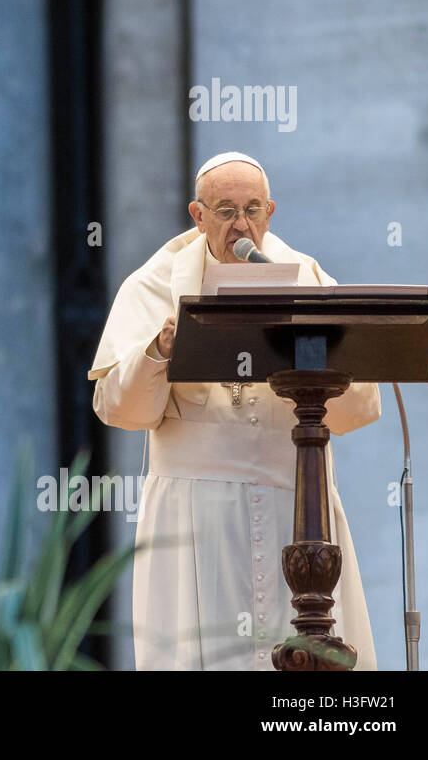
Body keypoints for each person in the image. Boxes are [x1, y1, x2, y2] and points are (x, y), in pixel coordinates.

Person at [89, 151, 380, 670]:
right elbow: (118, 407)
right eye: (225, 211)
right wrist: (160, 348)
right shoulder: (151, 287)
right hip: (195, 513)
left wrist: (324, 348)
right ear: (197, 216)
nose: (241, 224)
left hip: (297, 505)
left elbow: (357, 408)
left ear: (270, 211)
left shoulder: (306, 281)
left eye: (251, 209)